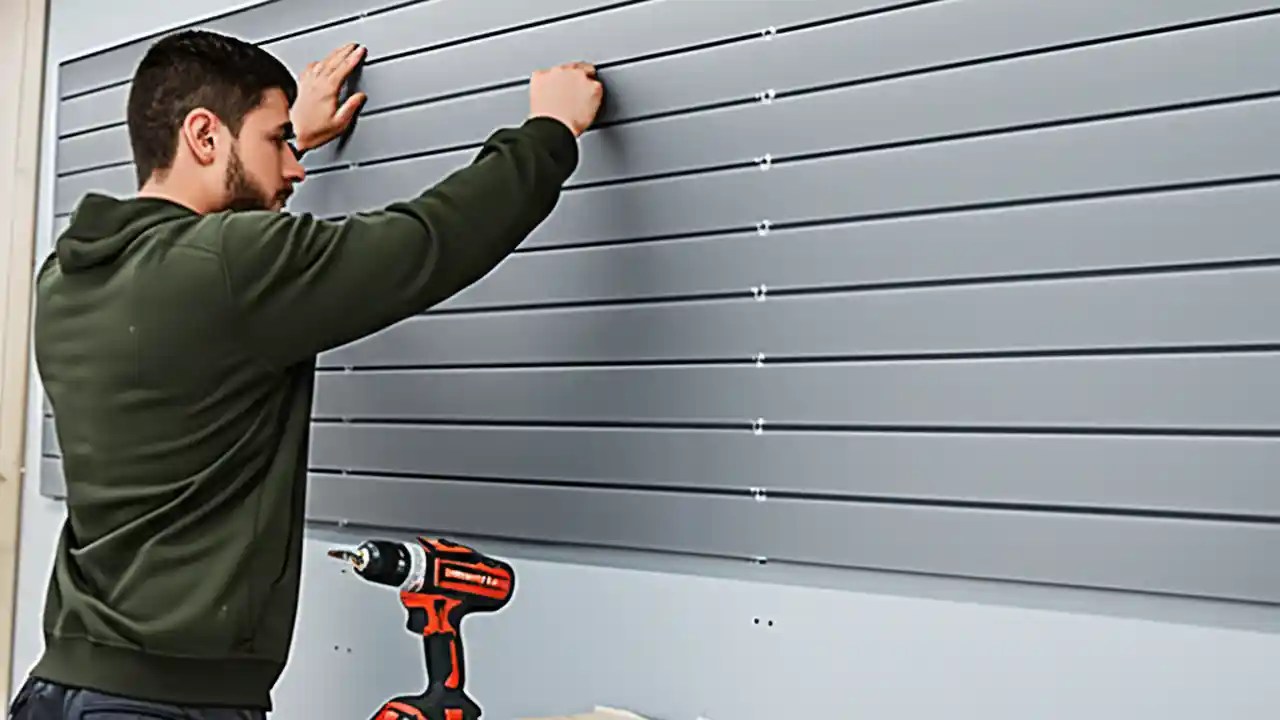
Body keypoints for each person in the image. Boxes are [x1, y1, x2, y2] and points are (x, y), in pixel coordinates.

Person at [8, 28, 602, 720]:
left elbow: (195, 249)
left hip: (61, 690)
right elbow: (430, 241)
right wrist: (549, 130)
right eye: (275, 141)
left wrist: (274, 147)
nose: (294, 171)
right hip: (165, 708)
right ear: (205, 136)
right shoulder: (233, 267)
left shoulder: (67, 277)